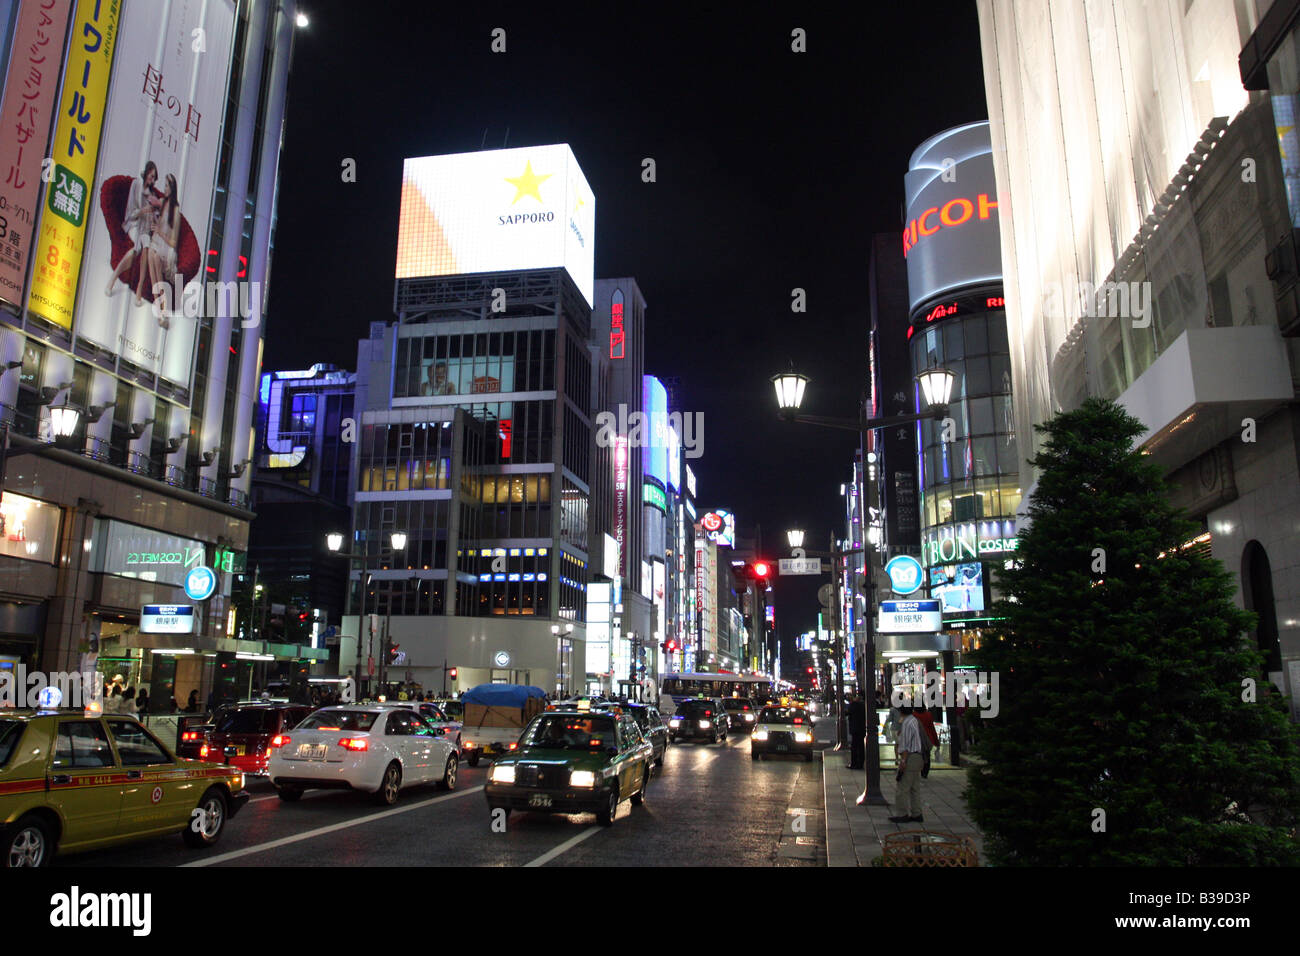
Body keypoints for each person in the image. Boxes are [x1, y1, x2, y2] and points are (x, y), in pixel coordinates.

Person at [107, 161, 159, 296]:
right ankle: (112, 280)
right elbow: (132, 211)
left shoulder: (152, 194)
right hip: (135, 223)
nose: (151, 179)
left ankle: (139, 290)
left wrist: (154, 222)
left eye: (154, 177)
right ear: (146, 173)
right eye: (151, 175)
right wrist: (142, 211)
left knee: (145, 250)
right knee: (137, 250)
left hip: (146, 229)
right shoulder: (137, 184)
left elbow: (155, 215)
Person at [146, 173, 181, 326]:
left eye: (167, 186)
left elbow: (173, 242)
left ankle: (163, 311)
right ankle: (160, 309)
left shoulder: (175, 210)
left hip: (167, 248)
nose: (165, 188)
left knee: (154, 258)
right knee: (151, 255)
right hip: (157, 243)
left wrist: (159, 232)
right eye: (165, 185)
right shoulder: (162, 203)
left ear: (172, 189)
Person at [889, 705, 929, 824]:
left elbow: (905, 745)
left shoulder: (906, 723)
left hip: (910, 757)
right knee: (914, 787)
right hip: (918, 756)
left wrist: (903, 761)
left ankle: (902, 814)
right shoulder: (914, 720)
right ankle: (917, 813)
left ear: (901, 712)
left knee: (902, 787)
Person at [846, 693, 867, 769]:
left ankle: (854, 763)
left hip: (855, 729)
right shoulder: (863, 705)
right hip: (862, 728)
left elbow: (847, 713)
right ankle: (860, 763)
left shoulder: (853, 705)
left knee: (854, 747)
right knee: (861, 747)